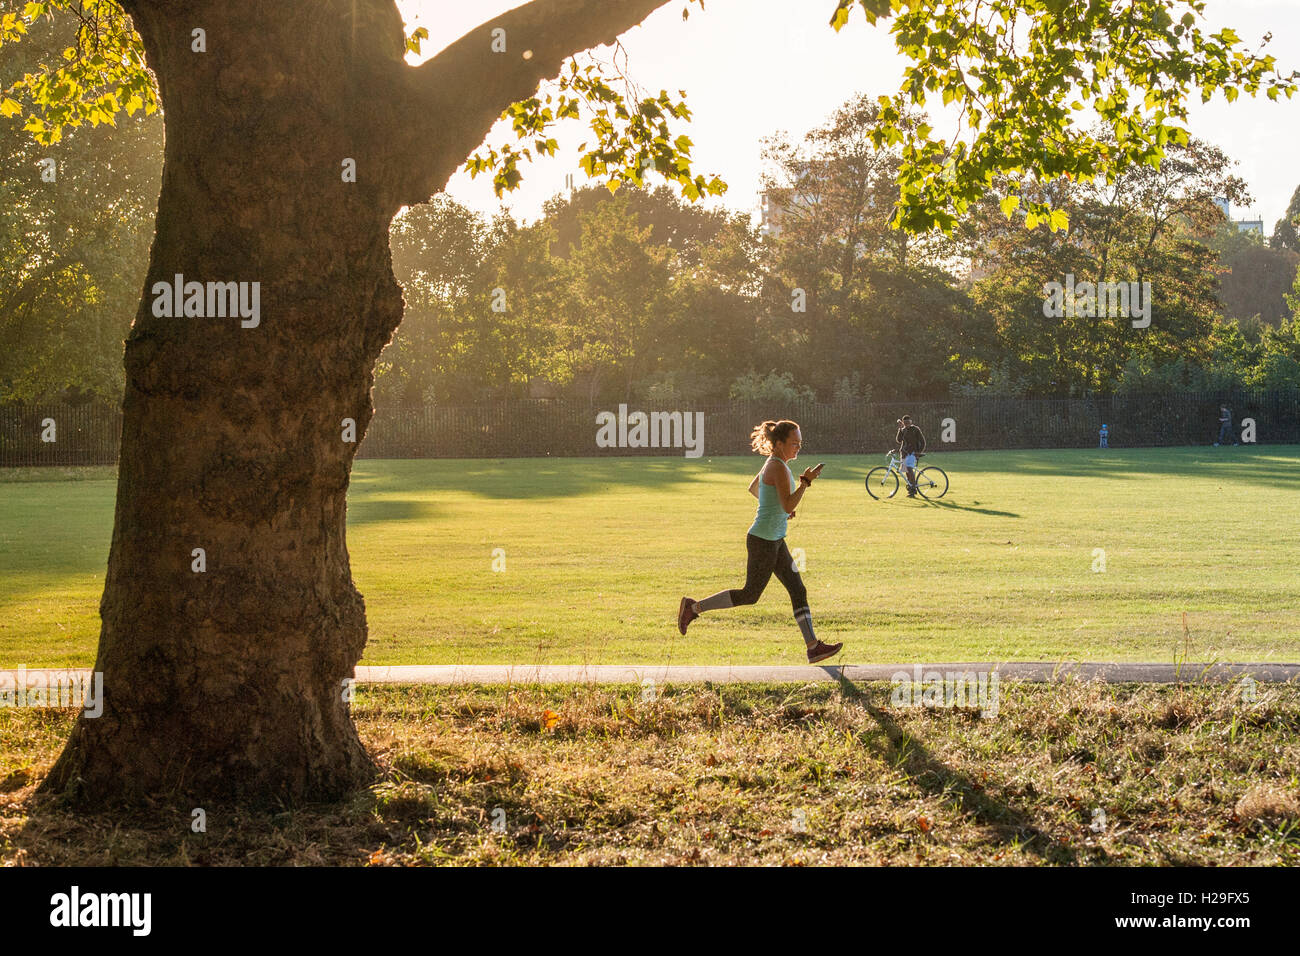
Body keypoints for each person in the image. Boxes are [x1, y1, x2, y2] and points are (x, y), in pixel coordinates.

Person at [677, 419, 843, 664]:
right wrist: (805, 483)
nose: (798, 447)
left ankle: (813, 647)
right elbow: (787, 502)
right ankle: (692, 608)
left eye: (800, 443)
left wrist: (779, 508)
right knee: (750, 594)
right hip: (763, 541)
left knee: (798, 589)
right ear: (778, 444)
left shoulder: (774, 464)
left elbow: (755, 488)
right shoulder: (778, 467)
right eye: (794, 443)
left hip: (774, 539)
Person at [895, 415, 926, 497]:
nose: (907, 424)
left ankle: (913, 489)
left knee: (909, 468)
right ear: (903, 423)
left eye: (908, 422)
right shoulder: (903, 429)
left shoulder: (915, 429)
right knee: (906, 472)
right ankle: (911, 489)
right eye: (905, 423)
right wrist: (900, 429)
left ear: (911, 422)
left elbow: (923, 442)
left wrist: (919, 452)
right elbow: (898, 440)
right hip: (904, 453)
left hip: (913, 453)